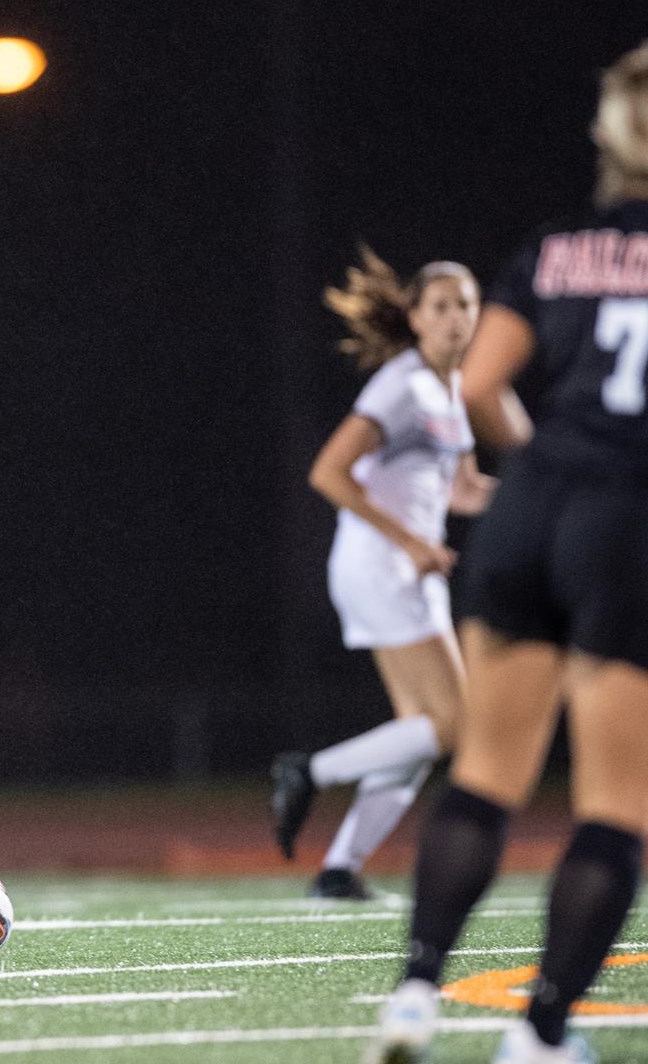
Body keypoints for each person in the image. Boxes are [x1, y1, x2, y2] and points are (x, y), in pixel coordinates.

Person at [367, 39, 648, 1064]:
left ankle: (412, 990)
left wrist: (548, 468)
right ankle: (538, 1033)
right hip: (624, 514)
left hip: (531, 506)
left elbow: (480, 386)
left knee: (486, 774)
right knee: (615, 802)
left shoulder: (555, 246)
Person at [271, 248, 494, 900]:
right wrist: (411, 542)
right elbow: (328, 472)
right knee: (456, 724)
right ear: (416, 318)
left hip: (406, 569)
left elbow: (464, 490)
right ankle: (310, 770)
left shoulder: (449, 387)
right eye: (441, 306)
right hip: (382, 564)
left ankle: (340, 869)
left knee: (420, 733)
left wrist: (548, 491)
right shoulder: (402, 384)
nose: (456, 318)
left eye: (466, 305)